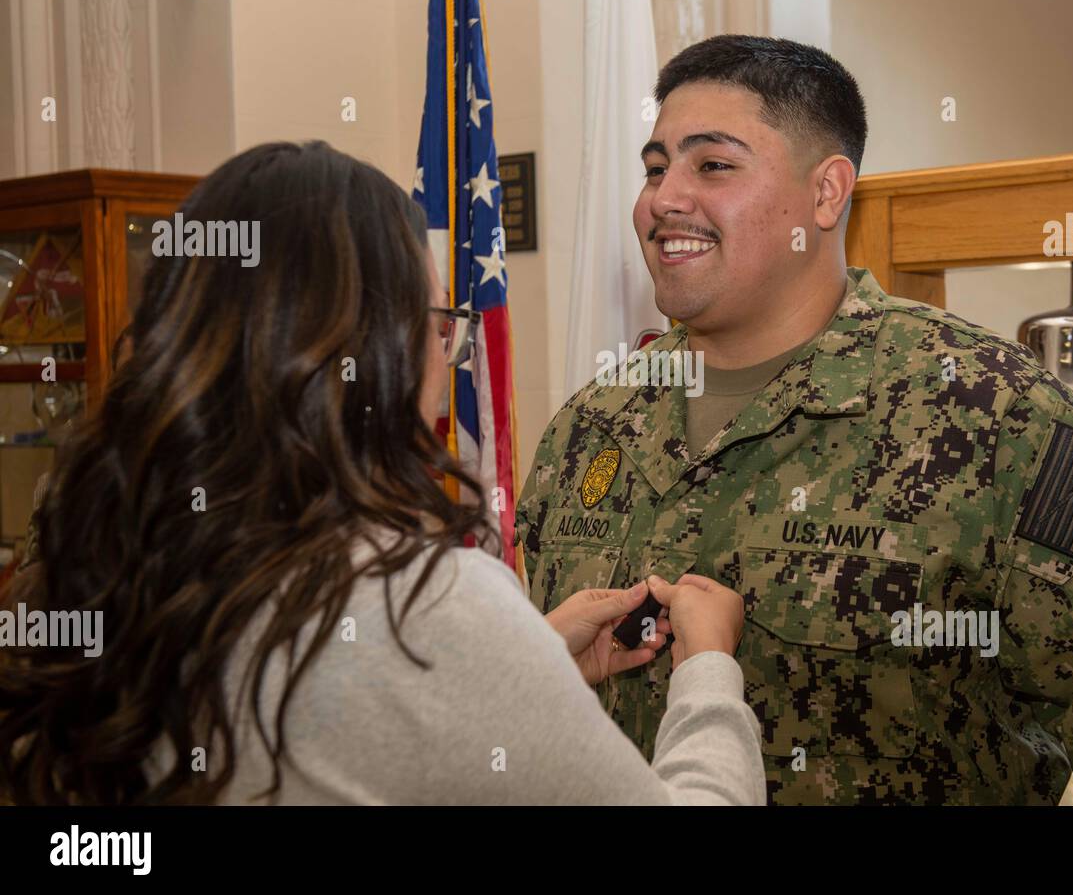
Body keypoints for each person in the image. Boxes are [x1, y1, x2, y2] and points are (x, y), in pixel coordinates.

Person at [516, 35, 1073, 805]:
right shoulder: (590, 428)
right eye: (655, 166)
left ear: (827, 193)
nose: (664, 199)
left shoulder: (996, 421)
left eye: (713, 164)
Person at [0, 140, 766, 806]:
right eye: (439, 325)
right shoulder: (422, 607)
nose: (447, 355)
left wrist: (521, 654)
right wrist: (706, 672)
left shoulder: (100, 541)